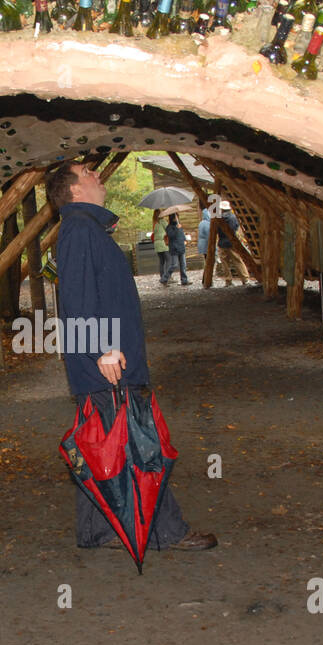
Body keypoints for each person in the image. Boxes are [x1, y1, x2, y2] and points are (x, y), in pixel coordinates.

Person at [46, 160, 218, 554]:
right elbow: (75, 299)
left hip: (110, 363)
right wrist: (100, 350)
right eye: (88, 173)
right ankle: (169, 531)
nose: (97, 176)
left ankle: (97, 531)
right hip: (109, 365)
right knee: (141, 447)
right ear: (74, 190)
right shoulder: (78, 229)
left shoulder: (87, 227)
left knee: (106, 446)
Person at [214, 201, 248, 286]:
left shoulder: (218, 218)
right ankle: (245, 279)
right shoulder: (233, 217)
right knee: (237, 261)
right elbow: (235, 228)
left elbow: (216, 230)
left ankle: (228, 280)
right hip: (232, 242)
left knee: (224, 263)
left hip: (222, 242)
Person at [160, 212, 189, 285]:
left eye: (177, 217)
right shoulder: (169, 227)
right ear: (172, 218)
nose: (177, 218)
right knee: (174, 265)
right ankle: (164, 278)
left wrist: (184, 239)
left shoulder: (179, 225)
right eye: (176, 217)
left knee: (183, 265)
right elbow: (171, 235)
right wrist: (177, 228)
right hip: (174, 248)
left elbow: (181, 234)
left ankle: (184, 280)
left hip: (181, 247)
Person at [151, 208, 168, 279]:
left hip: (157, 244)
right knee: (168, 260)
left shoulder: (154, 223)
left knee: (161, 262)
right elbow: (168, 229)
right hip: (163, 243)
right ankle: (167, 277)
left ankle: (162, 277)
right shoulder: (162, 221)